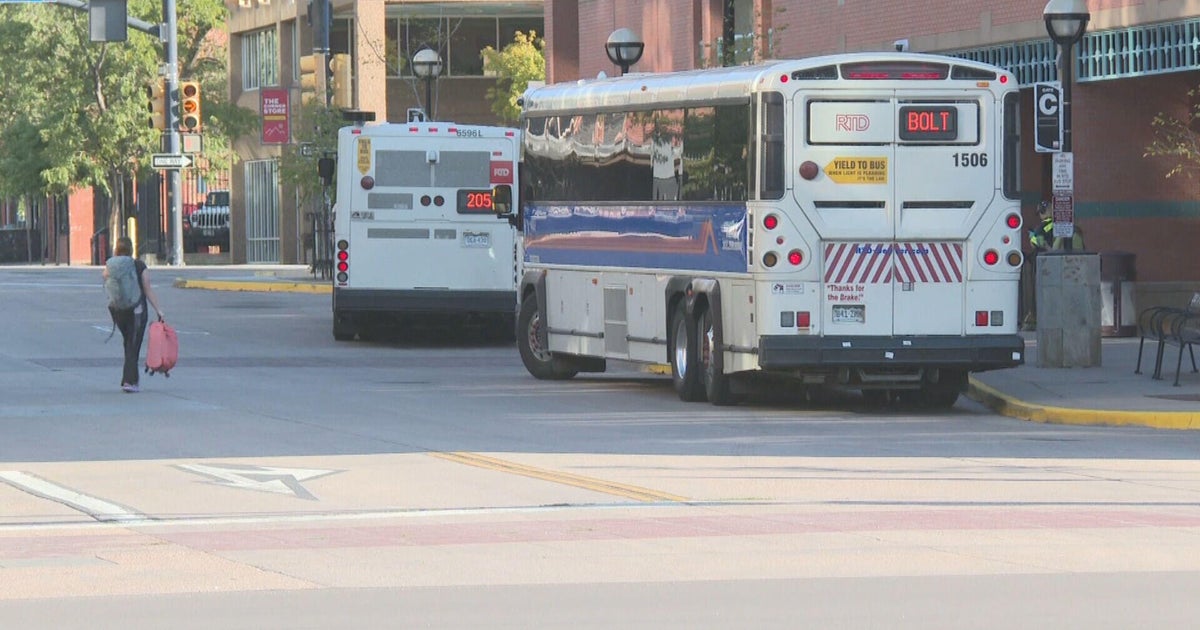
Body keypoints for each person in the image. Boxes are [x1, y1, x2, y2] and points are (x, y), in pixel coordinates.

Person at [103, 237, 165, 393]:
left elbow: (105, 277)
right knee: (133, 345)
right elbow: (147, 289)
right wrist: (159, 309)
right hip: (137, 310)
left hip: (118, 310)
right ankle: (130, 381)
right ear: (131, 249)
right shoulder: (139, 265)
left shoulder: (111, 265)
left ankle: (128, 379)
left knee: (128, 342)